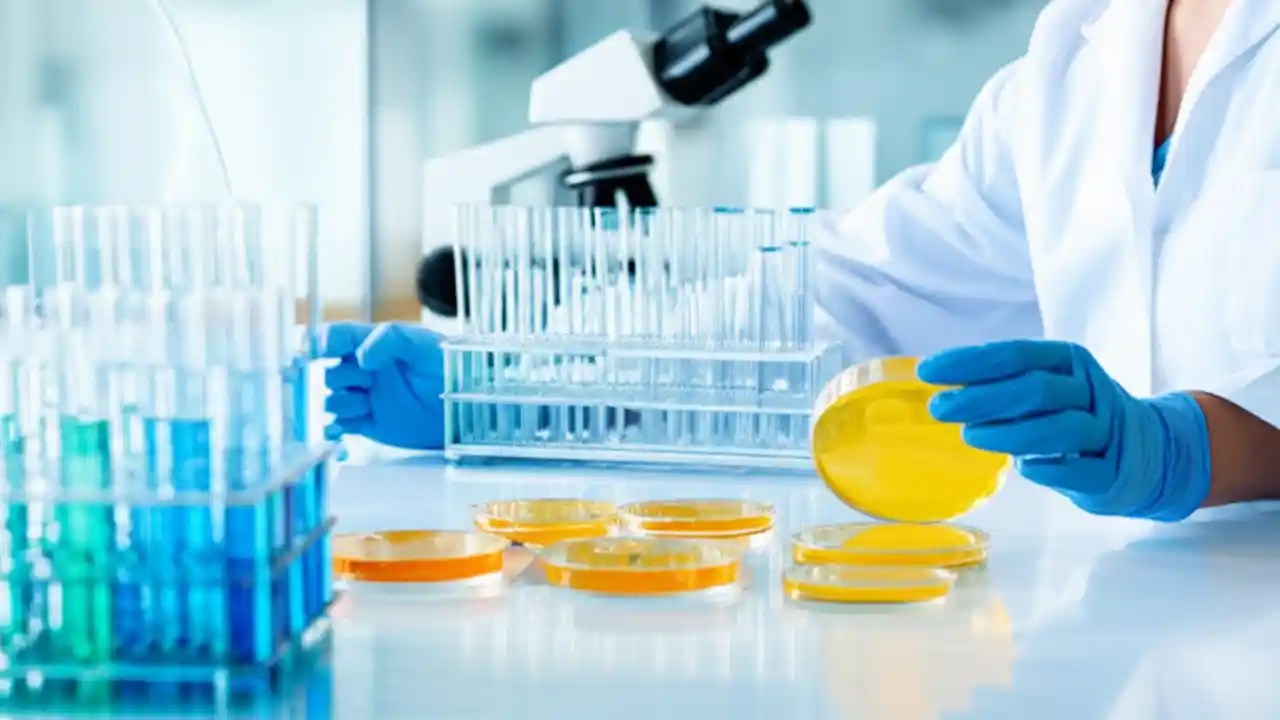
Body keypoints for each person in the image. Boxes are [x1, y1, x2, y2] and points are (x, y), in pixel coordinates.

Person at [323, 0, 1280, 521]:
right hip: (1123, 631)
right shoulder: (1072, 61)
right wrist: (527, 387)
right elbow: (855, 295)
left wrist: (1194, 452)